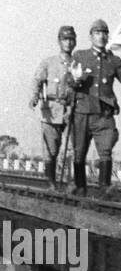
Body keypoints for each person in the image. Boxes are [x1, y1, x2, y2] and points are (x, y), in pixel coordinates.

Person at [68, 20, 121, 193]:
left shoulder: (113, 60)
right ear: (91, 36)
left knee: (105, 151)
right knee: (79, 153)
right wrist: (75, 79)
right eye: (97, 33)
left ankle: (104, 188)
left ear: (108, 36)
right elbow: (67, 81)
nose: (101, 36)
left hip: (104, 115)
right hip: (82, 112)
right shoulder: (80, 56)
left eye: (104, 33)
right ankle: (80, 187)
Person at [29, 25, 78, 189]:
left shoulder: (78, 63)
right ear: (59, 41)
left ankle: (71, 183)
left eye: (71, 39)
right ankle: (51, 183)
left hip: (71, 110)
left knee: (73, 148)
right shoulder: (49, 63)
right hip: (51, 110)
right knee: (51, 149)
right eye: (65, 39)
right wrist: (35, 97)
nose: (68, 43)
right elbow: (37, 80)